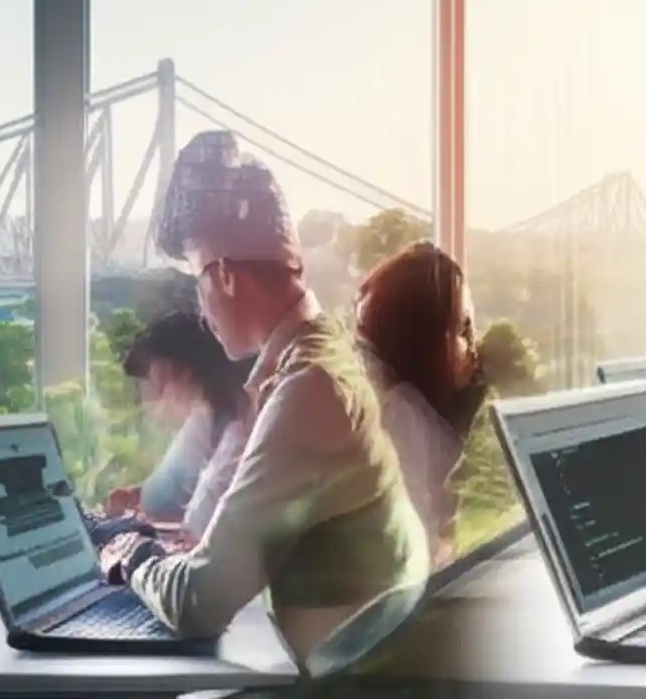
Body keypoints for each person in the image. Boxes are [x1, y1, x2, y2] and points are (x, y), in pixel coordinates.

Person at [97, 130, 429, 664]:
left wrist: (132, 555)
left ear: (224, 275)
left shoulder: (308, 391)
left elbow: (197, 604)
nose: (201, 310)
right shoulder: (319, 356)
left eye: (198, 280)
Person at [353, 241, 489, 568]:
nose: (474, 346)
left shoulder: (386, 402)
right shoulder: (400, 418)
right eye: (463, 329)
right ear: (423, 340)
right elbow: (417, 562)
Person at [103, 311, 255, 524]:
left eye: (156, 379)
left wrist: (134, 501)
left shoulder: (232, 426)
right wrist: (135, 495)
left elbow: (161, 502)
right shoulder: (213, 415)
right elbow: (167, 490)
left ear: (180, 371)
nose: (154, 394)